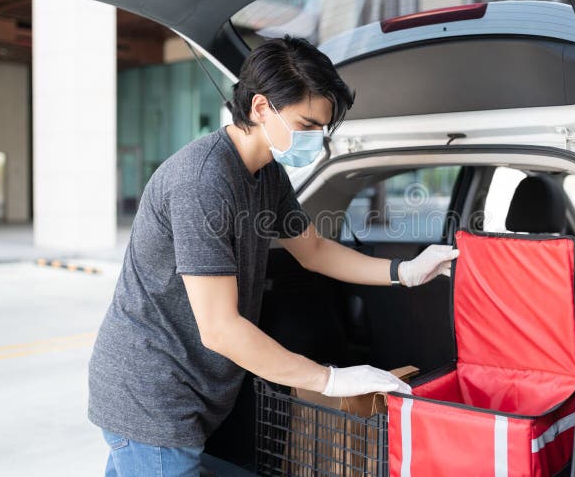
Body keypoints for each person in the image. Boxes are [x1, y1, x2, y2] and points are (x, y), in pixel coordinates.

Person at [88, 35, 459, 476]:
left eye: (321, 129)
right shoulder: (202, 182)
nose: (315, 140)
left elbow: (314, 251)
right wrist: (330, 380)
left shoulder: (267, 176)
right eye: (306, 125)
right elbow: (221, 329)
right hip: (153, 394)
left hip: (192, 389)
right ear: (261, 107)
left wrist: (406, 271)